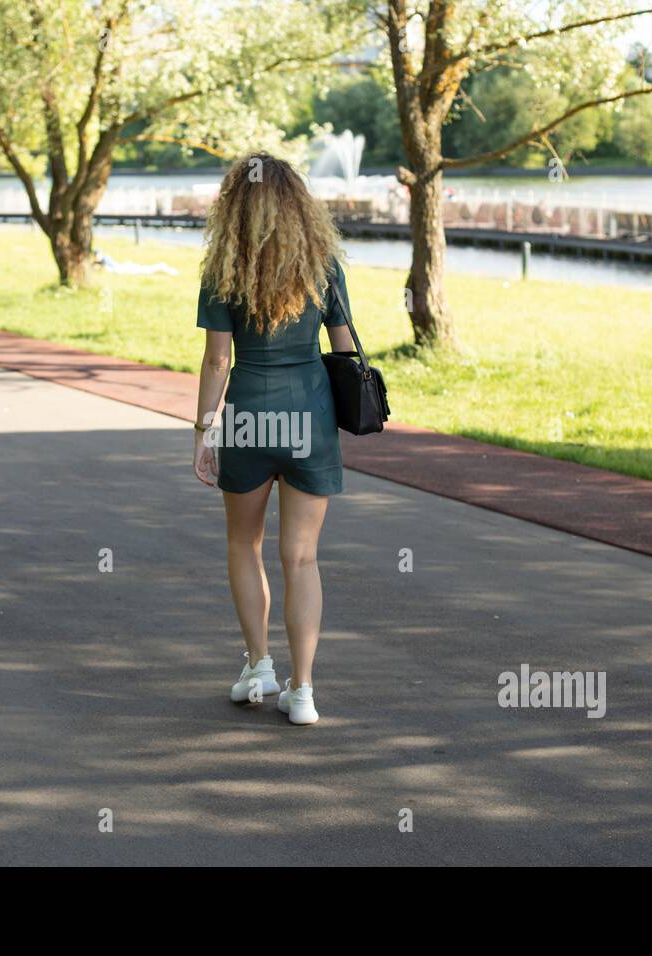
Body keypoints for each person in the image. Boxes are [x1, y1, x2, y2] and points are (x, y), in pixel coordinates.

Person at [193, 153, 355, 726]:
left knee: (245, 544)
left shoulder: (223, 270)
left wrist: (203, 431)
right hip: (309, 414)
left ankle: (259, 664)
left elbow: (217, 361)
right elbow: (344, 351)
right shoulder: (323, 264)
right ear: (299, 206)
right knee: (302, 556)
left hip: (247, 416)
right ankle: (303, 690)